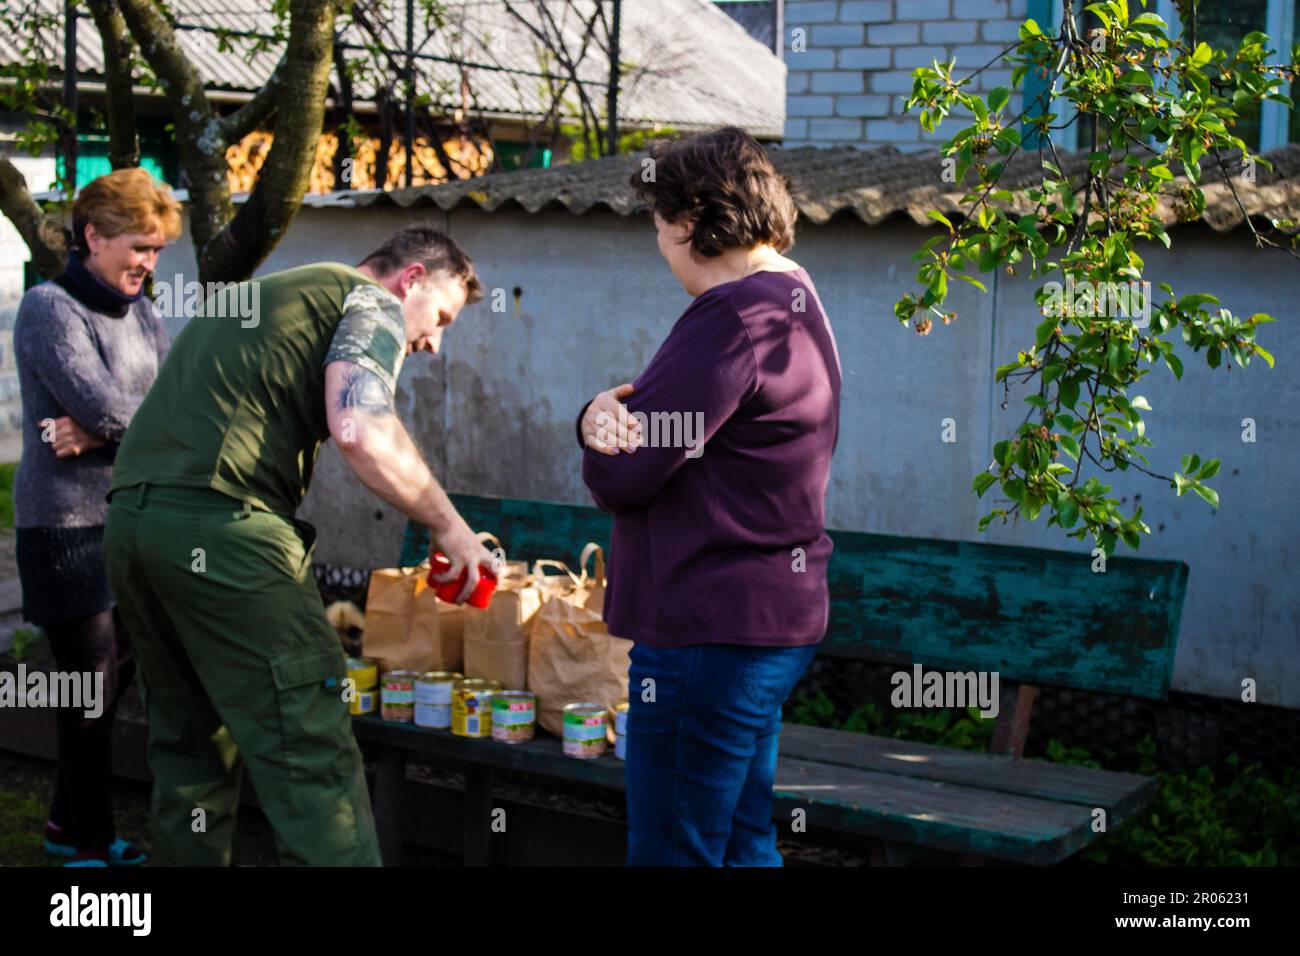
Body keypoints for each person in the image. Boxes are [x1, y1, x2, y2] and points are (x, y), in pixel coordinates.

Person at [102, 224, 494, 865]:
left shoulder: (278, 293)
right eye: (441, 318)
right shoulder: (369, 303)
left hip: (132, 530)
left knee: (189, 744)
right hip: (223, 533)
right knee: (310, 747)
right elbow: (361, 427)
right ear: (412, 279)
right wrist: (450, 526)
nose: (431, 342)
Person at [576, 127, 842, 866]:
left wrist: (595, 433)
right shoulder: (795, 297)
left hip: (707, 627)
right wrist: (602, 421)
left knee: (675, 850)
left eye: (658, 222)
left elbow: (626, 469)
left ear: (689, 220)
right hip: (763, 625)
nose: (659, 243)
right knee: (741, 844)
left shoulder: (733, 314)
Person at [13, 167, 182, 866]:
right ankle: (85, 841)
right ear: (93, 236)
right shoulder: (50, 309)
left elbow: (166, 401)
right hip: (65, 526)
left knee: (117, 678)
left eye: (157, 251)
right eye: (139, 247)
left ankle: (64, 823)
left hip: (129, 516)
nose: (148, 263)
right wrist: (109, 423)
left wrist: (97, 431)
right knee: (90, 682)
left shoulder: (138, 306)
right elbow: (116, 408)